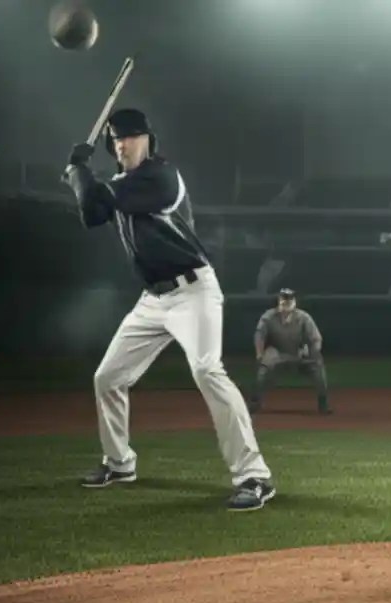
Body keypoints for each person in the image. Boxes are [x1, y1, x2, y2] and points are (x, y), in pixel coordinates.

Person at [62, 107, 278, 512]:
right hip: (152, 300)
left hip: (193, 290)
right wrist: (80, 174)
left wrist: (79, 172)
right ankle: (120, 462)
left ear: (148, 139)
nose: (121, 144)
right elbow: (92, 212)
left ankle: (254, 476)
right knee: (107, 377)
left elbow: (95, 206)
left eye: (128, 136)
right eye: (115, 139)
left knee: (206, 369)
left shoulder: (161, 177)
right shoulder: (118, 184)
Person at [248, 288, 332, 415]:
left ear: (294, 301)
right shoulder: (269, 316)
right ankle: (255, 402)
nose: (286, 302)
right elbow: (259, 335)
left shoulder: (304, 317)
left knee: (319, 368)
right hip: (278, 351)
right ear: (279, 301)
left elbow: (316, 339)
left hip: (300, 352)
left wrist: (312, 351)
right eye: (284, 299)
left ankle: (323, 403)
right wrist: (259, 353)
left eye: (289, 299)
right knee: (263, 368)